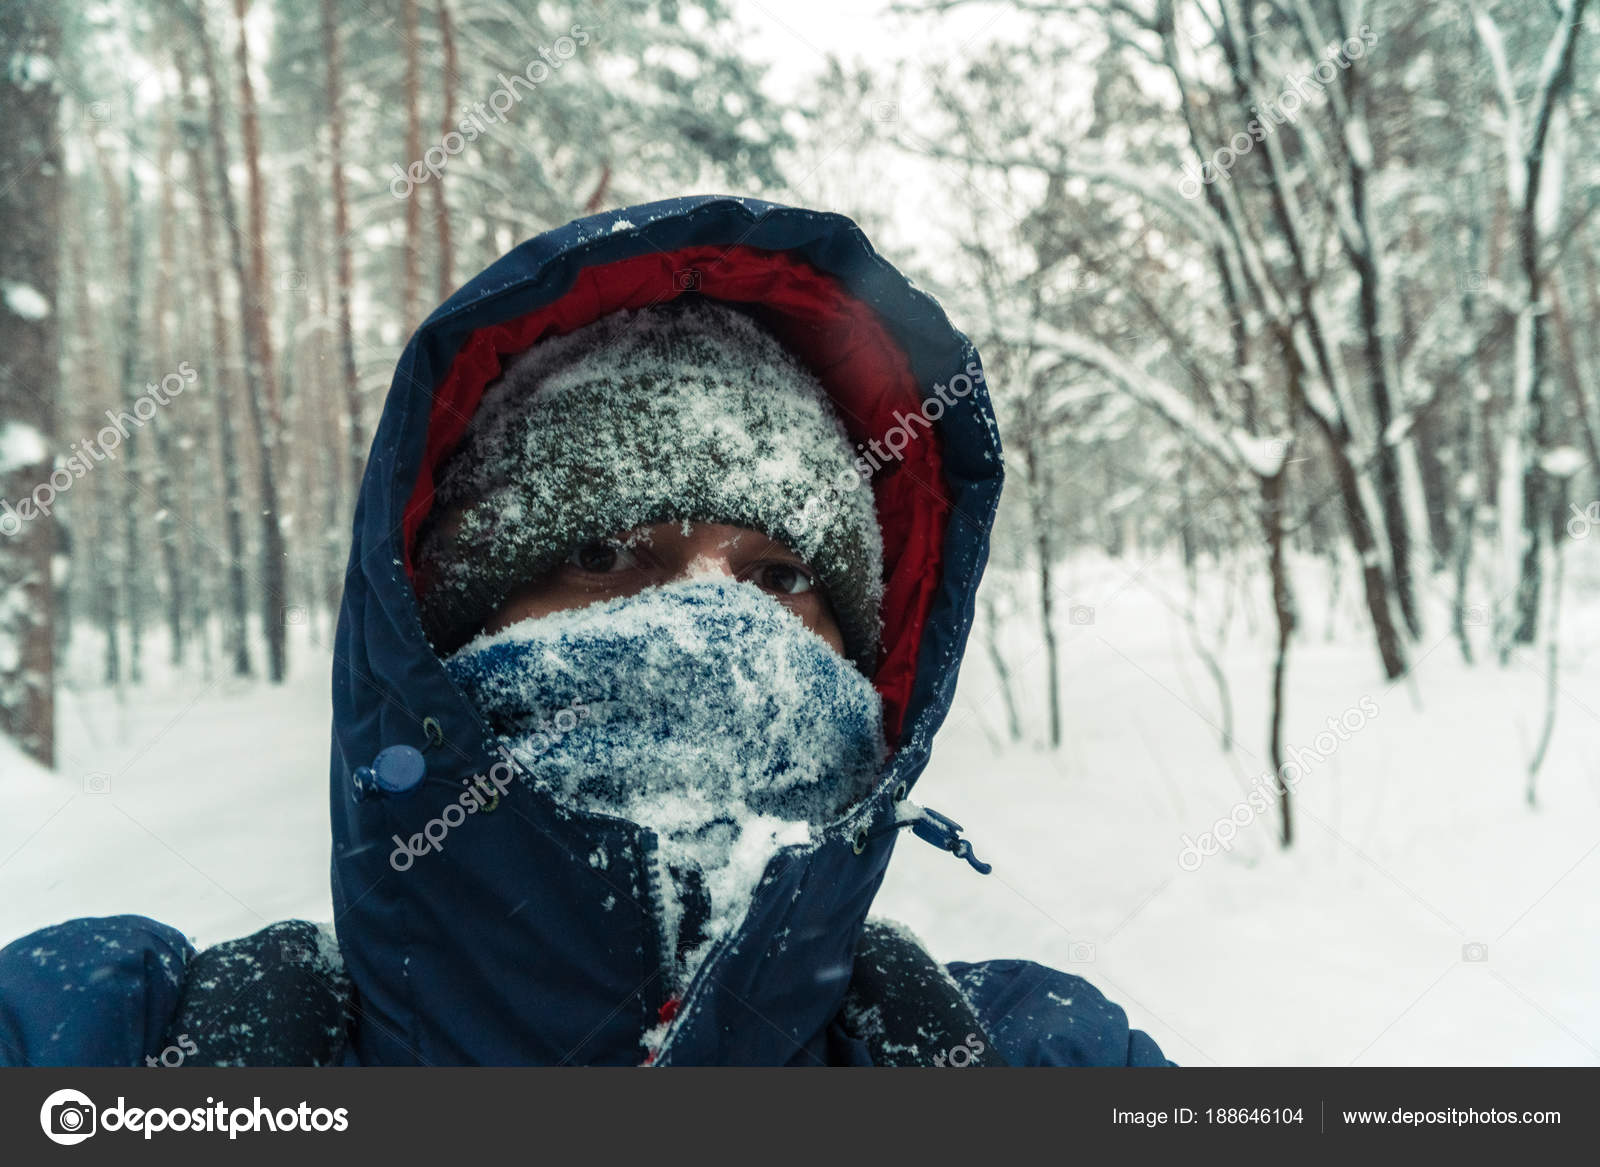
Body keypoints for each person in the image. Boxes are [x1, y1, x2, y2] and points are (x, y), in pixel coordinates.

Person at [0, 196, 1170, 1067]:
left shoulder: (1018, 1058)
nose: (712, 625)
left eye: (781, 576)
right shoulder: (121, 1043)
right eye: (610, 557)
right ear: (446, 635)